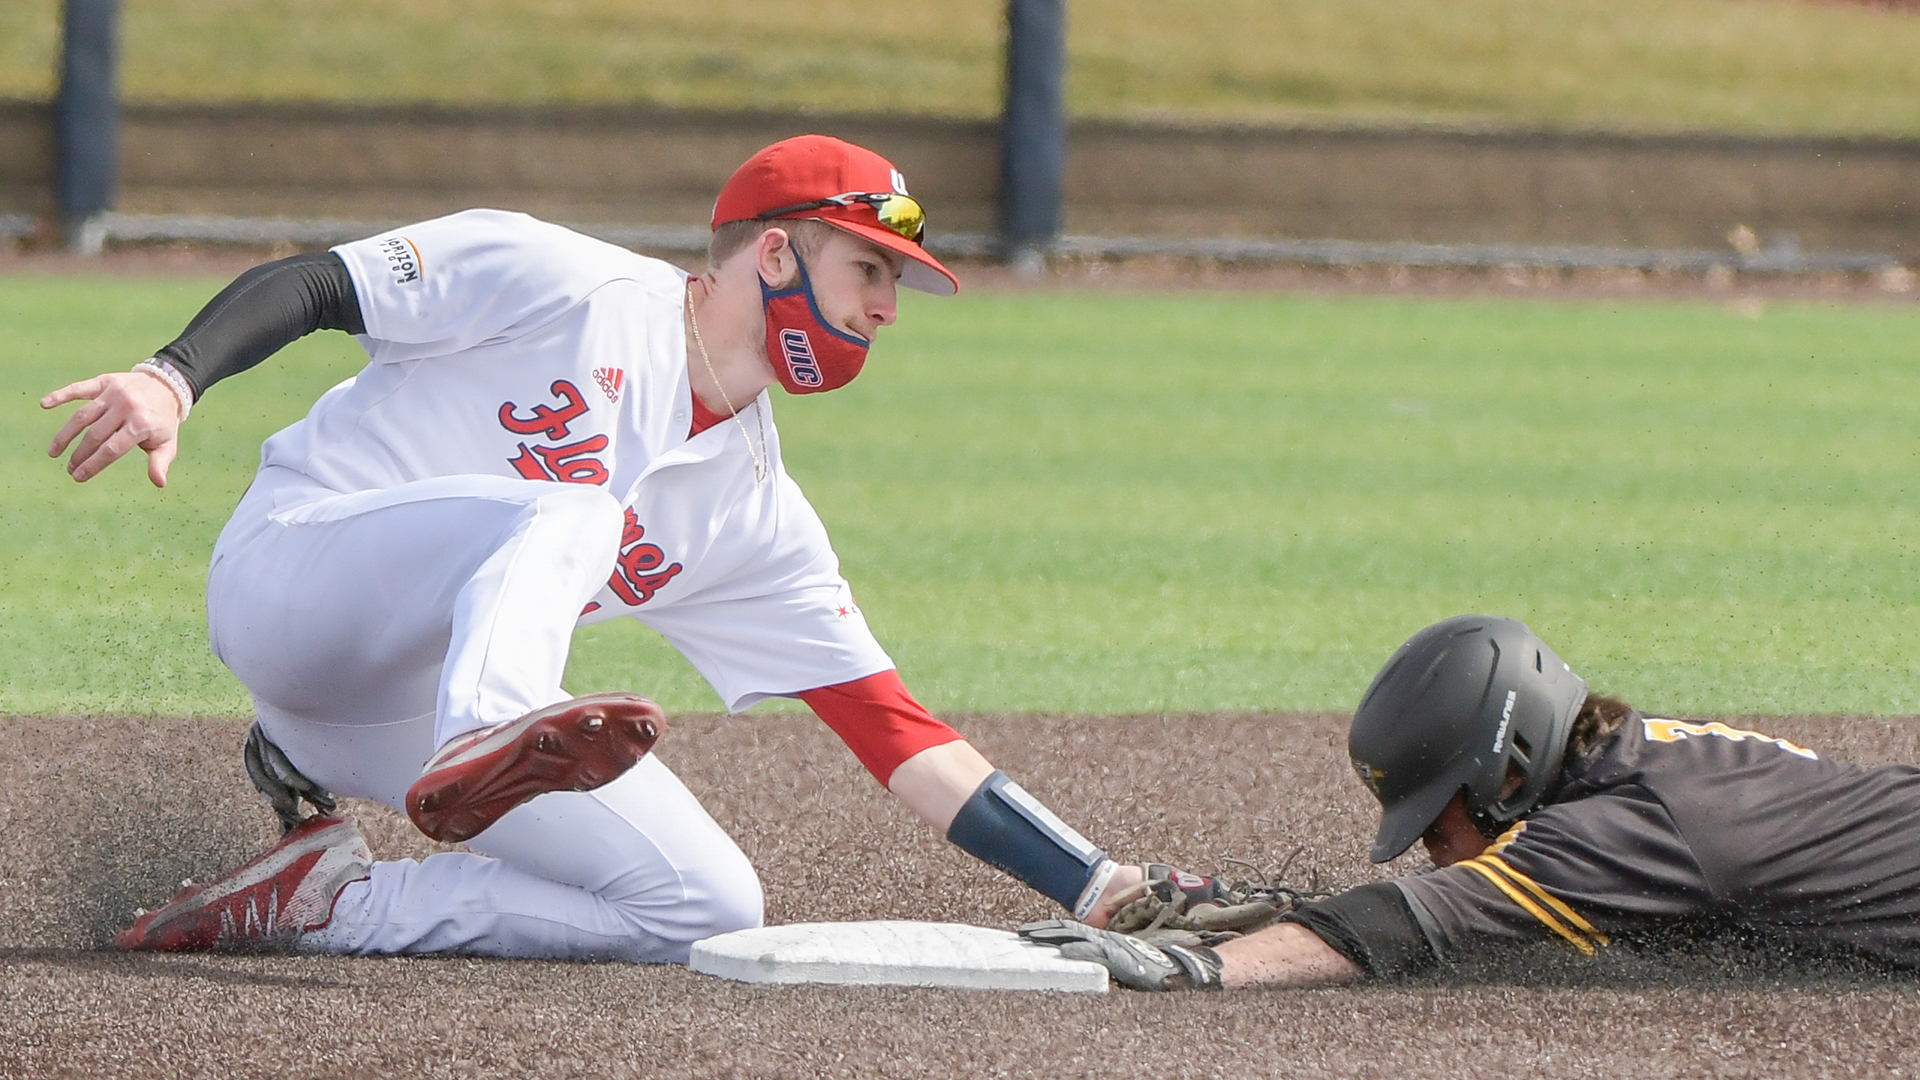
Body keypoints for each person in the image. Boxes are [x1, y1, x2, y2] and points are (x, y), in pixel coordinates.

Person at [42, 135, 1209, 961]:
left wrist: (1100, 885)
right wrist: (171, 376)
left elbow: (897, 733)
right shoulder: (562, 280)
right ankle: (484, 725)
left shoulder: (753, 513)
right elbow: (319, 282)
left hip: (372, 726)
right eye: (873, 270)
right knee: (572, 509)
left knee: (704, 903)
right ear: (776, 254)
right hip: (293, 579)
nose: (889, 307)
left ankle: (330, 904)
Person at [1021, 614, 1920, 989]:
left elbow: (1417, 921)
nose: (1430, 848)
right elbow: (1480, 902)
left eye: (1436, 816)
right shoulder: (1632, 774)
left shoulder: (1634, 823)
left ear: (1509, 772)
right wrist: (1284, 914)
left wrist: (1208, 967)